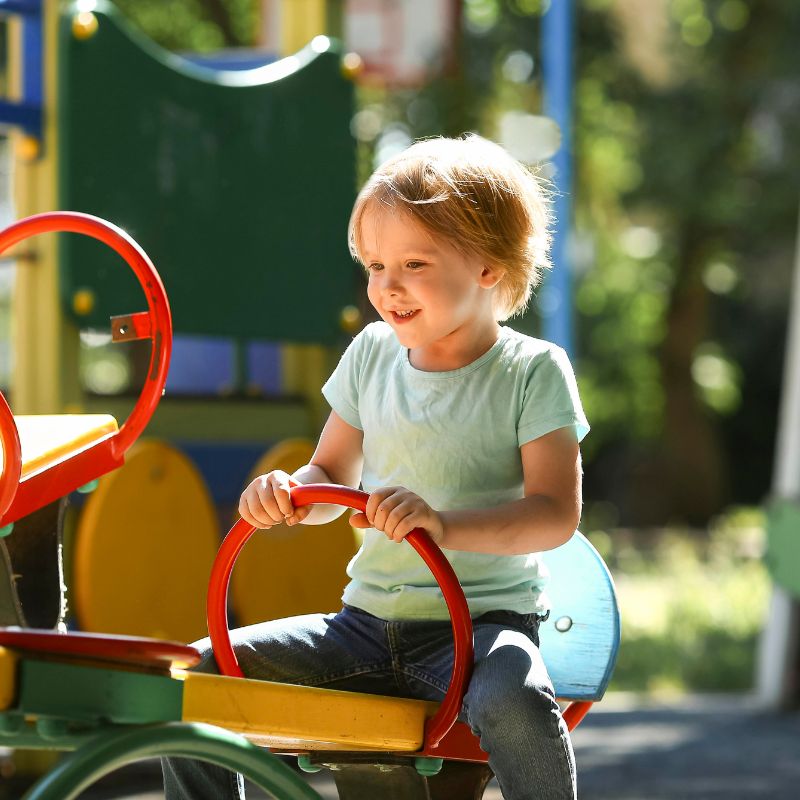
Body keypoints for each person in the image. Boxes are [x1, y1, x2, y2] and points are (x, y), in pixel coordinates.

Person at [163, 134, 588, 800]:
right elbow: (329, 476)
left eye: (414, 263)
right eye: (375, 265)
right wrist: (290, 494)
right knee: (197, 674)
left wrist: (441, 525)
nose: (388, 286)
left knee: (513, 698)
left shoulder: (531, 371)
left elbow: (555, 515)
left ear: (488, 266)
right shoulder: (369, 354)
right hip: (362, 628)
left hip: (480, 629)